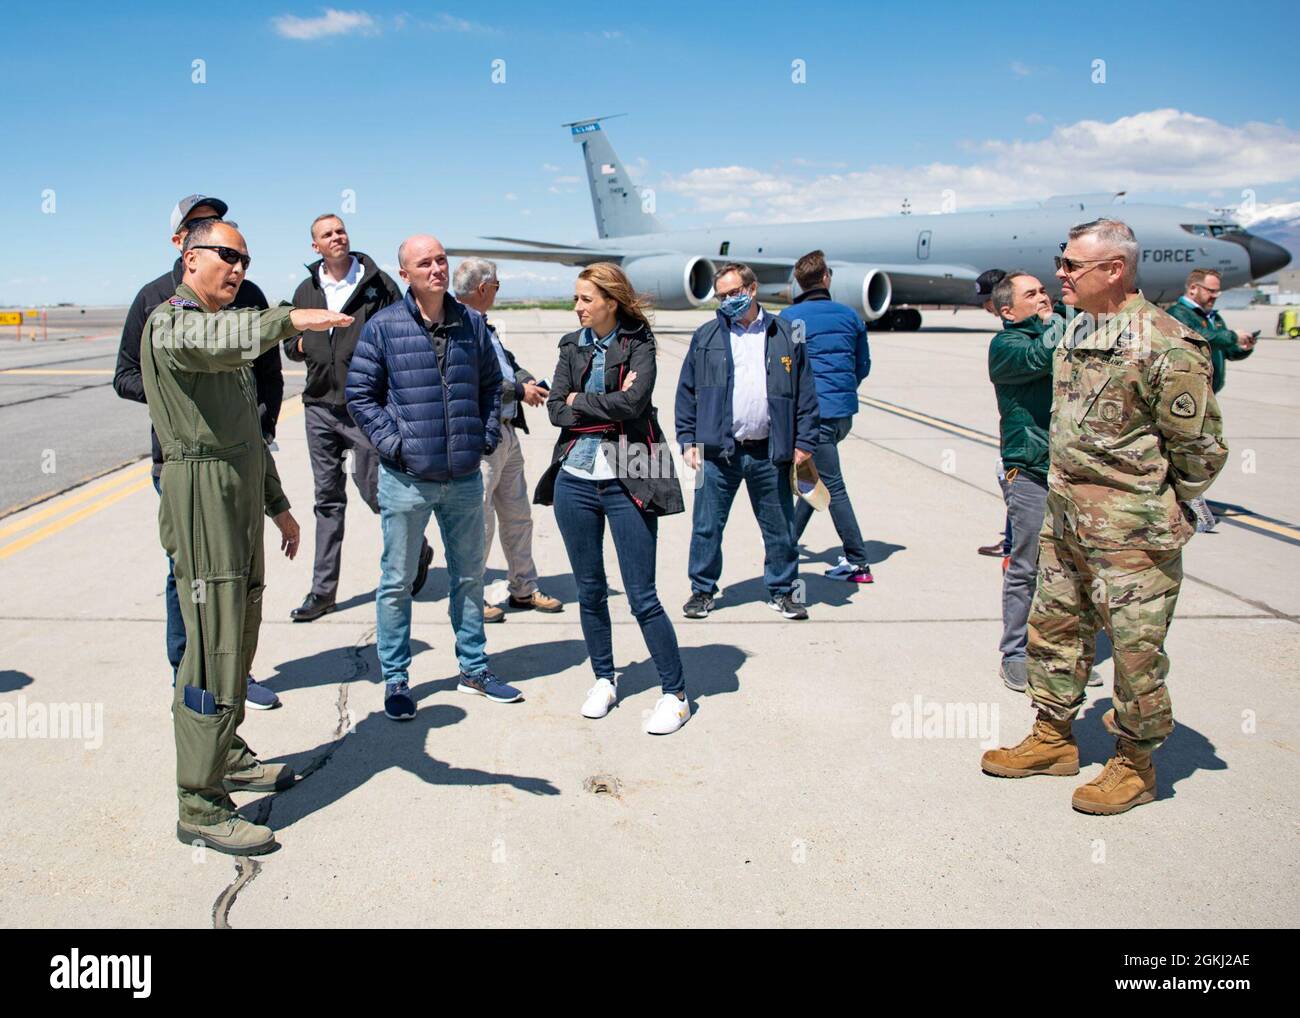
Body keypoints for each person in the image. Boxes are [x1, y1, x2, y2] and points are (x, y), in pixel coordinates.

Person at [981, 219, 1228, 815]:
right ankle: (1051, 737)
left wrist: (1142, 504)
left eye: (1071, 266)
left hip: (1131, 536)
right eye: (1061, 264)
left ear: (1114, 270)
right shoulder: (1077, 333)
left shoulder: (1166, 343)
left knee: (1136, 651)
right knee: (1056, 632)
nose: (1059, 275)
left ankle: (1135, 763)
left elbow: (1200, 453)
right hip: (1066, 523)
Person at [141, 219, 352, 853]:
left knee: (240, 631)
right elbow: (221, 339)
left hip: (237, 493)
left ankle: (226, 753)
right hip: (201, 498)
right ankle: (200, 805)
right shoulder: (173, 323)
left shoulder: (226, 334)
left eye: (245, 259)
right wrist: (293, 319)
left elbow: (247, 437)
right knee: (209, 647)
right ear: (188, 257)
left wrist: (281, 507)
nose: (237, 269)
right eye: (227, 257)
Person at [113, 194, 285, 711]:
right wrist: (183, 391)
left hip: (242, 457)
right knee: (189, 579)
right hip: (183, 461)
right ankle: (189, 681)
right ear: (182, 243)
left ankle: (232, 679)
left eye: (235, 248)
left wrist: (261, 427)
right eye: (201, 226)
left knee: (239, 583)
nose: (233, 264)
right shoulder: (156, 301)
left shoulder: (246, 292)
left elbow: (267, 370)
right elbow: (124, 375)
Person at [346, 234, 519, 721]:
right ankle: (397, 679)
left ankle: (474, 668)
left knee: (470, 576)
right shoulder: (383, 327)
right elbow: (360, 393)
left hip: (463, 476)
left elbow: (492, 384)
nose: (437, 269)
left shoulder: (472, 325)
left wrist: (483, 437)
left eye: (441, 259)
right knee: (397, 581)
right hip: (406, 479)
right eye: (425, 263)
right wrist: (396, 444)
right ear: (406, 274)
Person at [533, 263, 689, 734]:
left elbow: (634, 405)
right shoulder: (569, 346)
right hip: (574, 478)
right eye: (576, 298)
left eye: (585, 298)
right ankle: (603, 677)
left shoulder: (639, 342)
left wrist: (582, 401)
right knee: (590, 590)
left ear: (611, 301)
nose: (577, 306)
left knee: (642, 595)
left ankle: (675, 693)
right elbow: (556, 411)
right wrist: (586, 404)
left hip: (632, 476)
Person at [281, 214, 429, 623]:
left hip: (366, 407)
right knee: (327, 500)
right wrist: (303, 346)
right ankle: (322, 592)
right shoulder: (306, 289)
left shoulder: (378, 285)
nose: (337, 237)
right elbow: (291, 342)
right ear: (316, 246)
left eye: (340, 230)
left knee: (376, 493)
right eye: (327, 234)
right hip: (318, 406)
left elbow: (404, 334)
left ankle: (417, 551)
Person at [675, 262, 819, 620]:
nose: (728, 301)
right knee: (707, 525)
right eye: (722, 296)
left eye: (734, 293)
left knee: (780, 526)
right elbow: (686, 392)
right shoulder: (705, 336)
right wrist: (688, 439)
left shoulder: (785, 334)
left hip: (769, 451)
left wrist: (804, 443)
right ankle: (702, 591)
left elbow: (805, 394)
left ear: (752, 290)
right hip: (716, 452)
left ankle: (783, 591)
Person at [452, 257, 563, 622]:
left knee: (518, 516)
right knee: (479, 523)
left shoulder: (486, 325)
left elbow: (506, 364)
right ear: (483, 288)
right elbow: (473, 380)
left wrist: (528, 381)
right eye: (497, 286)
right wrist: (519, 389)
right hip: (480, 438)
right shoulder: (455, 326)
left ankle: (523, 588)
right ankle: (471, 599)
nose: (499, 292)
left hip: (507, 431)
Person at [986, 272, 1061, 693]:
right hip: (1029, 467)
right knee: (1025, 564)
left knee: (1067, 568)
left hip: (1068, 468)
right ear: (1008, 311)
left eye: (1043, 291)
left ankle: (1059, 648)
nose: (1043, 298)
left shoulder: (1059, 331)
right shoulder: (1007, 345)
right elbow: (1039, 358)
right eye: (1031, 294)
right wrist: (1064, 323)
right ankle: (1015, 650)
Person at [778, 250, 873, 583]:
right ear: (826, 278)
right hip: (842, 414)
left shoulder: (788, 318)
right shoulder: (850, 316)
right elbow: (862, 365)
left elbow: (780, 370)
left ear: (798, 282)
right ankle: (786, 543)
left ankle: (858, 560)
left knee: (831, 485)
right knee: (811, 479)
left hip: (811, 417)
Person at [1165, 268, 1257, 532]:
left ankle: (1190, 498)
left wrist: (1243, 346)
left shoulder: (1213, 318)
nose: (1215, 296)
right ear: (1193, 289)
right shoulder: (1178, 314)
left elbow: (1227, 349)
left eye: (1217, 291)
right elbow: (1197, 337)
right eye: (1211, 290)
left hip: (1207, 397)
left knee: (1204, 449)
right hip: (1184, 396)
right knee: (1189, 449)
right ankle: (1189, 500)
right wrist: (1230, 336)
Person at [975, 269, 1013, 563]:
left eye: (984, 300)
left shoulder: (1014, 330)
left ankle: (1013, 544)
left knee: (1012, 477)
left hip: (1020, 424)